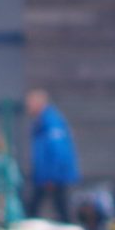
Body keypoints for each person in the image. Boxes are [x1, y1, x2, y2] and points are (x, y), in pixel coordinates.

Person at [22, 88, 78, 223]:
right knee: (50, 206)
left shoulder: (51, 123)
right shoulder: (41, 122)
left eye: (30, 103)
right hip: (45, 175)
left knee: (55, 207)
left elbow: (58, 150)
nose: (28, 106)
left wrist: (52, 176)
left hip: (52, 176)